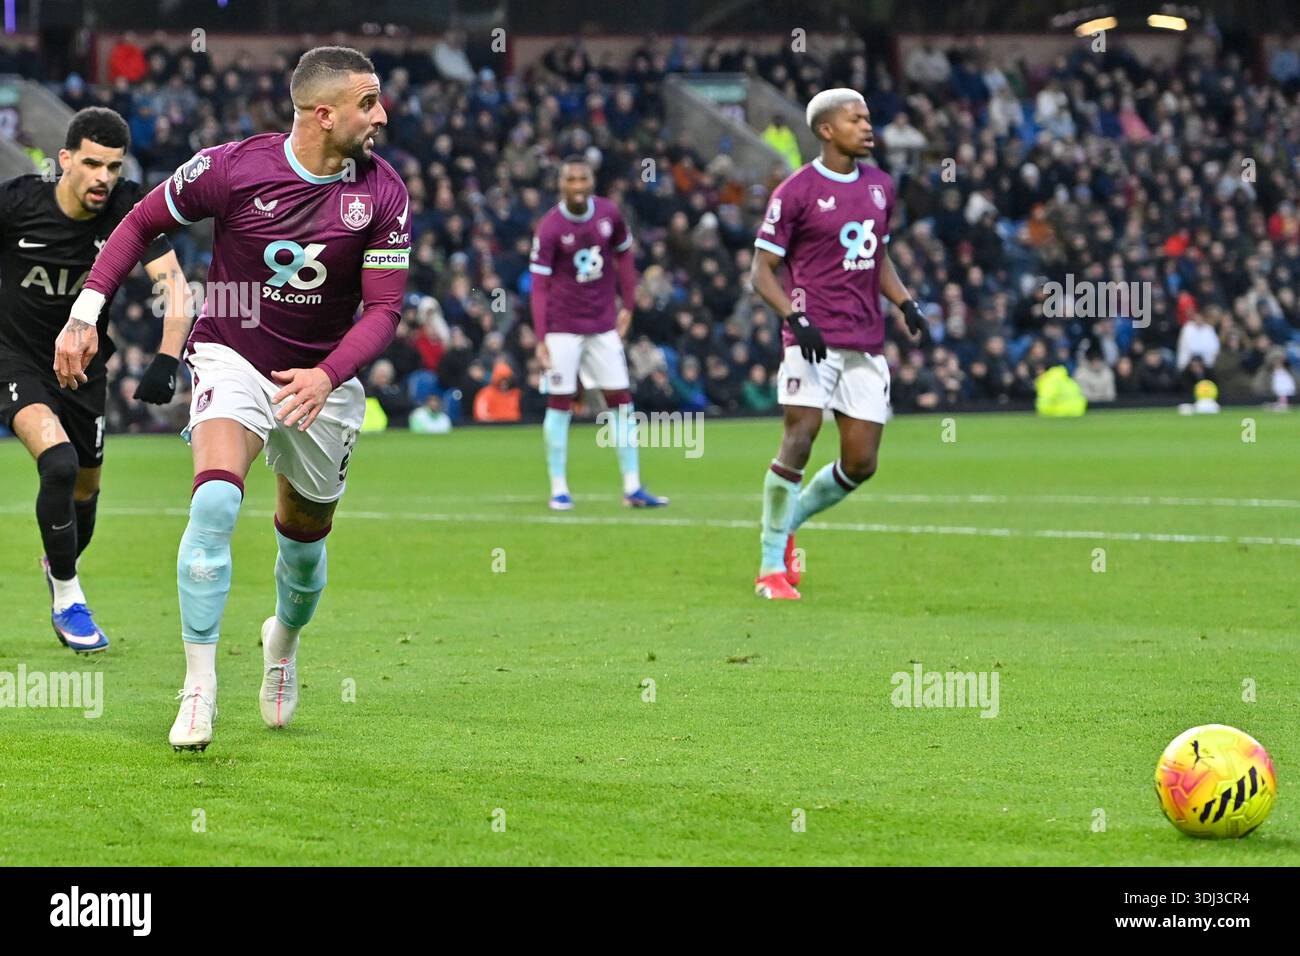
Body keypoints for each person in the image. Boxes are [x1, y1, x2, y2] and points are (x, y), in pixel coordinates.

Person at [59, 47, 410, 750]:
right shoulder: (232, 167)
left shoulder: (383, 193)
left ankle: (280, 641)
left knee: (305, 553)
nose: (382, 114)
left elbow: (383, 311)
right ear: (324, 113)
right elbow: (139, 223)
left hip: (324, 380)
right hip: (235, 355)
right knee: (215, 501)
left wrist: (327, 375)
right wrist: (84, 312)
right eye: (368, 102)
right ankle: (199, 688)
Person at [0, 107, 189, 654]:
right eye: (90, 163)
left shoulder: (130, 206)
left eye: (113, 165)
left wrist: (167, 358)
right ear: (64, 160)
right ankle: (68, 597)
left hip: (84, 370)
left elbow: (174, 287)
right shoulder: (17, 203)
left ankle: (58, 562)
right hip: (15, 359)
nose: (103, 177)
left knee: (85, 492)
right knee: (56, 462)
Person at [750, 88, 928, 600]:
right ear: (827, 130)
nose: (868, 127)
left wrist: (905, 302)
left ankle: (788, 525)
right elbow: (760, 273)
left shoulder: (881, 187)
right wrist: (794, 316)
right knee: (801, 433)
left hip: (864, 339)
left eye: (868, 118)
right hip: (811, 338)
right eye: (857, 119)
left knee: (861, 463)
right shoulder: (796, 191)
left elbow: (878, 258)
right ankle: (769, 569)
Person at [529, 154, 667, 510]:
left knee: (621, 402)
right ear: (561, 184)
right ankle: (559, 487)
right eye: (570, 180)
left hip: (603, 324)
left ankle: (633, 486)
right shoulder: (550, 227)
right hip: (563, 329)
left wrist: (629, 305)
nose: (577, 186)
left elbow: (625, 258)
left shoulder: (610, 214)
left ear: (592, 181)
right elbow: (540, 286)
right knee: (560, 404)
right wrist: (541, 337)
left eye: (583, 179)